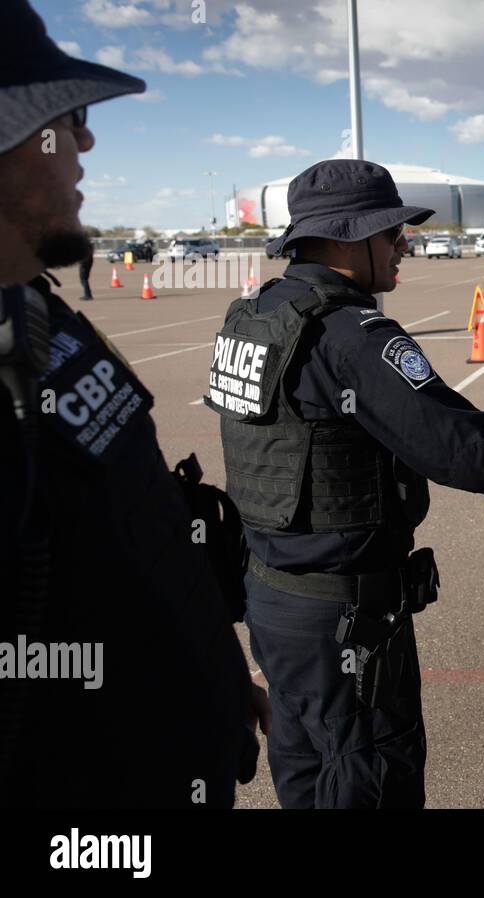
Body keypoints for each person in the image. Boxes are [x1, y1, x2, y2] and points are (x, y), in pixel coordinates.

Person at [208, 159, 484, 808]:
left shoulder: (252, 318)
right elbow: (464, 452)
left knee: (305, 766)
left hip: (272, 599)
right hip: (345, 616)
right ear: (344, 240)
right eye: (390, 235)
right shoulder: (354, 337)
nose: (404, 246)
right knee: (371, 774)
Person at [0, 0, 266, 808]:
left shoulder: (40, 316)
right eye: (68, 116)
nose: (85, 140)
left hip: (180, 747)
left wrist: (217, 675)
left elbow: (137, 524)